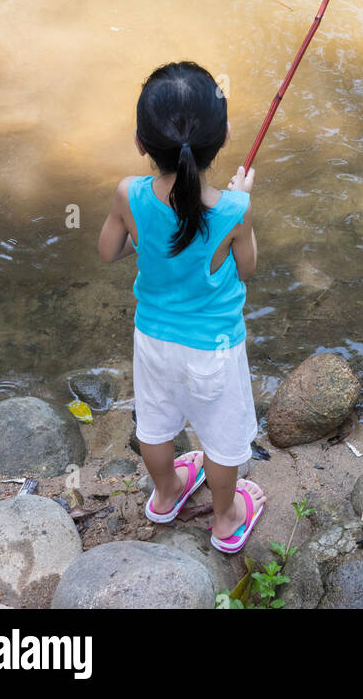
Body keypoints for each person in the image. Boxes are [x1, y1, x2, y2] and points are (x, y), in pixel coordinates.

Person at [98, 60, 266, 553]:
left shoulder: (128, 193)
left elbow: (110, 252)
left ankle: (166, 491)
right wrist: (241, 204)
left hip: (153, 339)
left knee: (153, 423)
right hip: (213, 348)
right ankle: (224, 517)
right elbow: (248, 267)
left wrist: (143, 238)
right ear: (225, 134)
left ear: (140, 141)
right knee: (219, 437)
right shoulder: (234, 208)